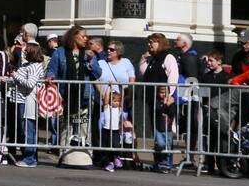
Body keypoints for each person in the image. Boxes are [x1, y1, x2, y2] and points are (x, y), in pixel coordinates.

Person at [46, 25, 97, 155]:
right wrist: (50, 76)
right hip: (66, 96)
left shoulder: (88, 53)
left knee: (84, 126)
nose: (86, 39)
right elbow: (52, 69)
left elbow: (98, 74)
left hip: (84, 96)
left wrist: (91, 61)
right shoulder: (60, 52)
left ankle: (85, 155)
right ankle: (64, 153)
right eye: (83, 36)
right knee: (65, 127)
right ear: (74, 36)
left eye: (87, 37)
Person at [138, 33, 181, 172]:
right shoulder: (153, 59)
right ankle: (158, 162)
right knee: (157, 133)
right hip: (152, 100)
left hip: (163, 101)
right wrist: (143, 59)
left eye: (153, 42)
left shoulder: (168, 57)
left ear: (161, 43)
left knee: (164, 132)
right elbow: (144, 73)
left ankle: (165, 163)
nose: (150, 44)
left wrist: (169, 95)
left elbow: (173, 76)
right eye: (149, 42)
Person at [94, 41, 135, 170]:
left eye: (112, 49)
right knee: (105, 130)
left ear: (118, 52)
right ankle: (109, 159)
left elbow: (132, 79)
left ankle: (118, 156)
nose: (108, 51)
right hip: (105, 103)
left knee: (120, 132)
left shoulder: (126, 62)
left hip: (121, 103)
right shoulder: (101, 63)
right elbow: (96, 79)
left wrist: (126, 93)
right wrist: (103, 93)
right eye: (108, 49)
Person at [10, 42, 45, 167]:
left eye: (25, 51)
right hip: (21, 99)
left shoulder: (35, 66)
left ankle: (30, 158)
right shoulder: (26, 65)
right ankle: (28, 156)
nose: (23, 53)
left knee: (29, 129)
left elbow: (30, 84)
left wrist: (16, 76)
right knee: (24, 129)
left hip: (29, 100)